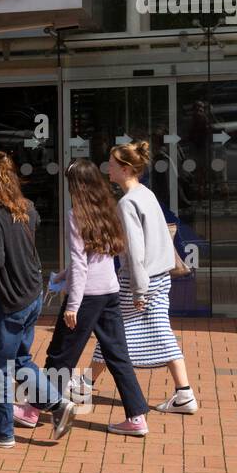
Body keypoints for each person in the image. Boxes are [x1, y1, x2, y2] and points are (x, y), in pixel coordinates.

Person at [15, 159, 150, 436]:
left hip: (86, 297)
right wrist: (64, 276)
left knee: (60, 354)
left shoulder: (76, 214)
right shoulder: (109, 209)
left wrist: (72, 304)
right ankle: (137, 417)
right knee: (117, 355)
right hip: (109, 292)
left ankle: (31, 410)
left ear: (75, 186)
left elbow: (81, 262)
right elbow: (97, 257)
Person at [75, 140, 198, 418]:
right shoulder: (146, 194)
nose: (108, 168)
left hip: (139, 281)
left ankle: (85, 383)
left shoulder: (127, 203)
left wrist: (139, 291)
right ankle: (184, 393)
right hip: (160, 277)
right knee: (159, 331)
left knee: (112, 332)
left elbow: (135, 250)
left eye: (112, 164)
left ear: (127, 169)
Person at [0, 151, 76, 447]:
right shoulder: (29, 209)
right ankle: (58, 404)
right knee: (21, 360)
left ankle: (3, 432)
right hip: (32, 295)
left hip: (10, 301)